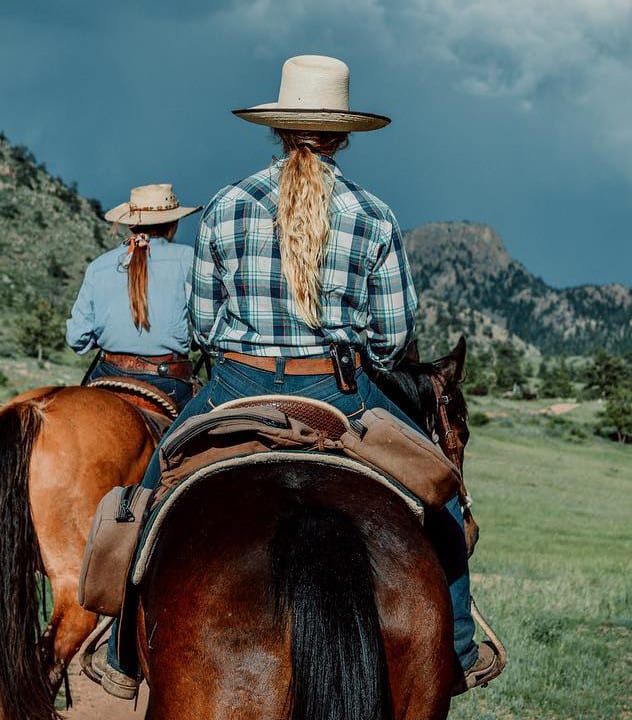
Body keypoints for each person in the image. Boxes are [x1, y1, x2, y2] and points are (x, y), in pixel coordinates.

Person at [121, 54, 502, 694]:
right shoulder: (374, 215)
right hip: (340, 393)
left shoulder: (226, 205)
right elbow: (390, 339)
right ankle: (459, 646)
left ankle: (124, 654)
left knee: (146, 489)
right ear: (344, 134)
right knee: (443, 496)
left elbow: (200, 327)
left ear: (276, 128)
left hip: (236, 387)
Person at [66, 184, 199, 409]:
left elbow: (76, 339)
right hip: (168, 380)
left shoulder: (99, 266)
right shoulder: (188, 259)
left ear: (130, 224)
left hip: (107, 373)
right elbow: (205, 328)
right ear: (174, 224)